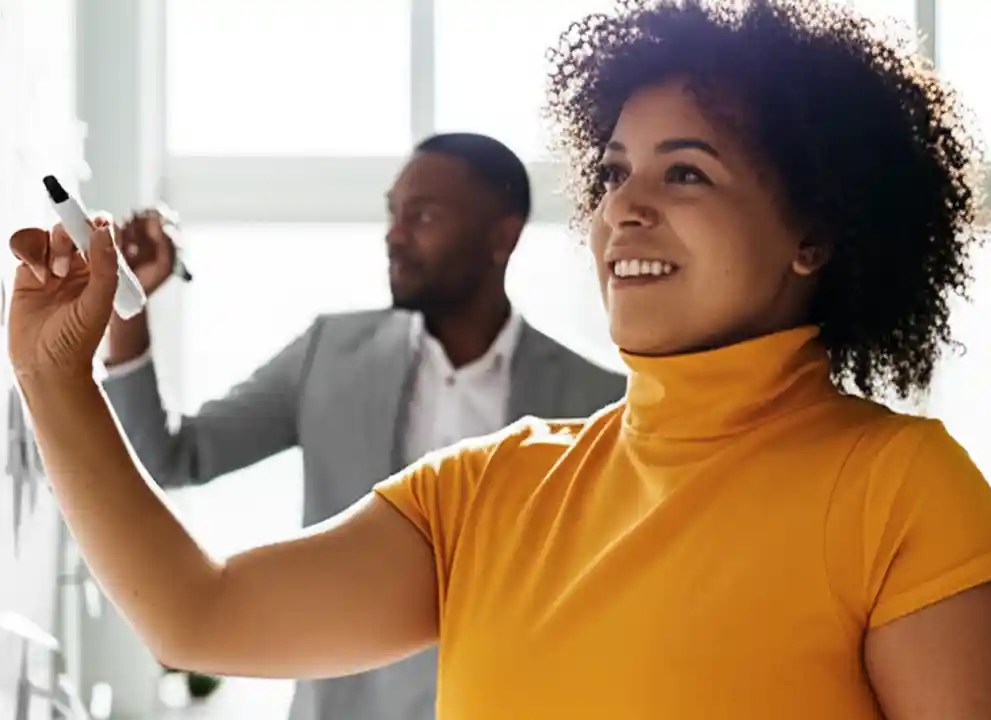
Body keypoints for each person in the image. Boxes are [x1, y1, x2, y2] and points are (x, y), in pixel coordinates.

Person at [7, 1, 991, 717]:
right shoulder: (490, 489)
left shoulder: (900, 492)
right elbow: (200, 615)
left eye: (686, 172)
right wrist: (53, 375)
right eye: (613, 171)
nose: (623, 207)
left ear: (810, 231)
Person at [99, 133, 626, 719]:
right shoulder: (329, 354)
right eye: (392, 213)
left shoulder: (599, 400)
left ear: (502, 236)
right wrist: (130, 306)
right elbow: (170, 457)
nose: (394, 235)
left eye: (422, 216)